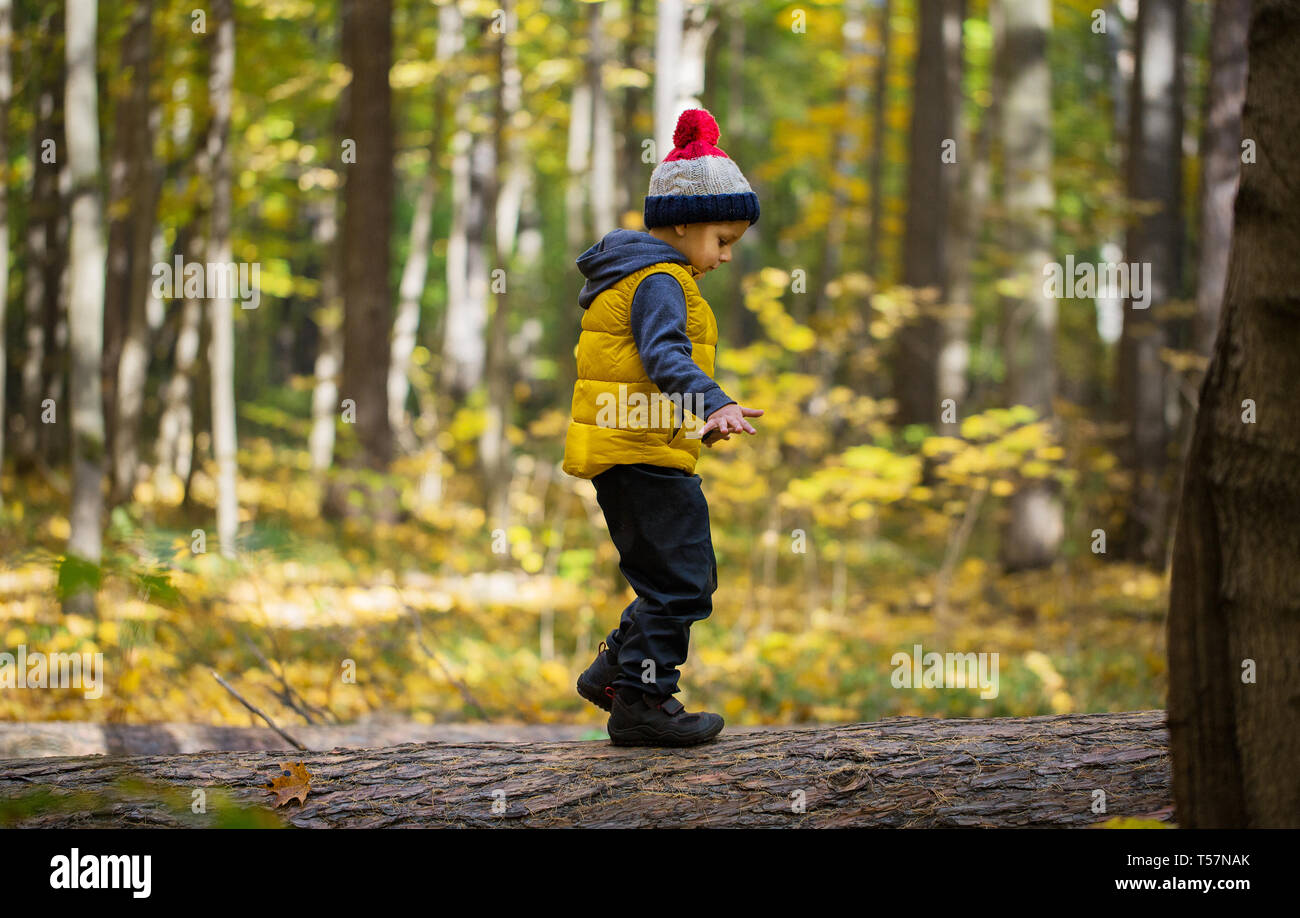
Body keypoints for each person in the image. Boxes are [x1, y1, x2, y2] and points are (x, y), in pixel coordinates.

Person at [564, 107, 764, 746]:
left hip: (638, 446)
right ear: (682, 224)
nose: (726, 256)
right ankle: (643, 702)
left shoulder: (647, 274)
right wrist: (713, 402)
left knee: (673, 578)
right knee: (683, 583)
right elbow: (664, 356)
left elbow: (641, 376)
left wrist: (693, 424)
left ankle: (611, 675)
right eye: (721, 240)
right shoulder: (659, 279)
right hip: (639, 455)